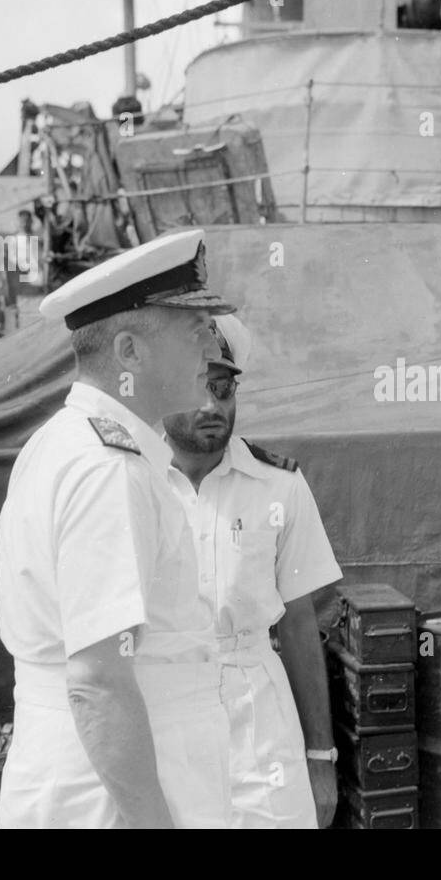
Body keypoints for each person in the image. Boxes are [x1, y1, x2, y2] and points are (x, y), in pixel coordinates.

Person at [0, 228, 235, 828]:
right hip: (113, 793)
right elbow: (97, 681)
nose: (211, 347)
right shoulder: (107, 468)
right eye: (194, 329)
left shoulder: (70, 443)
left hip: (99, 772)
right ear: (129, 353)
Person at [163, 314, 343, 829]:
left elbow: (299, 625)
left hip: (259, 719)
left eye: (223, 390)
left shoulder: (277, 486)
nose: (212, 407)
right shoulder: (135, 480)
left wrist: (320, 758)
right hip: (168, 709)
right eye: (198, 389)